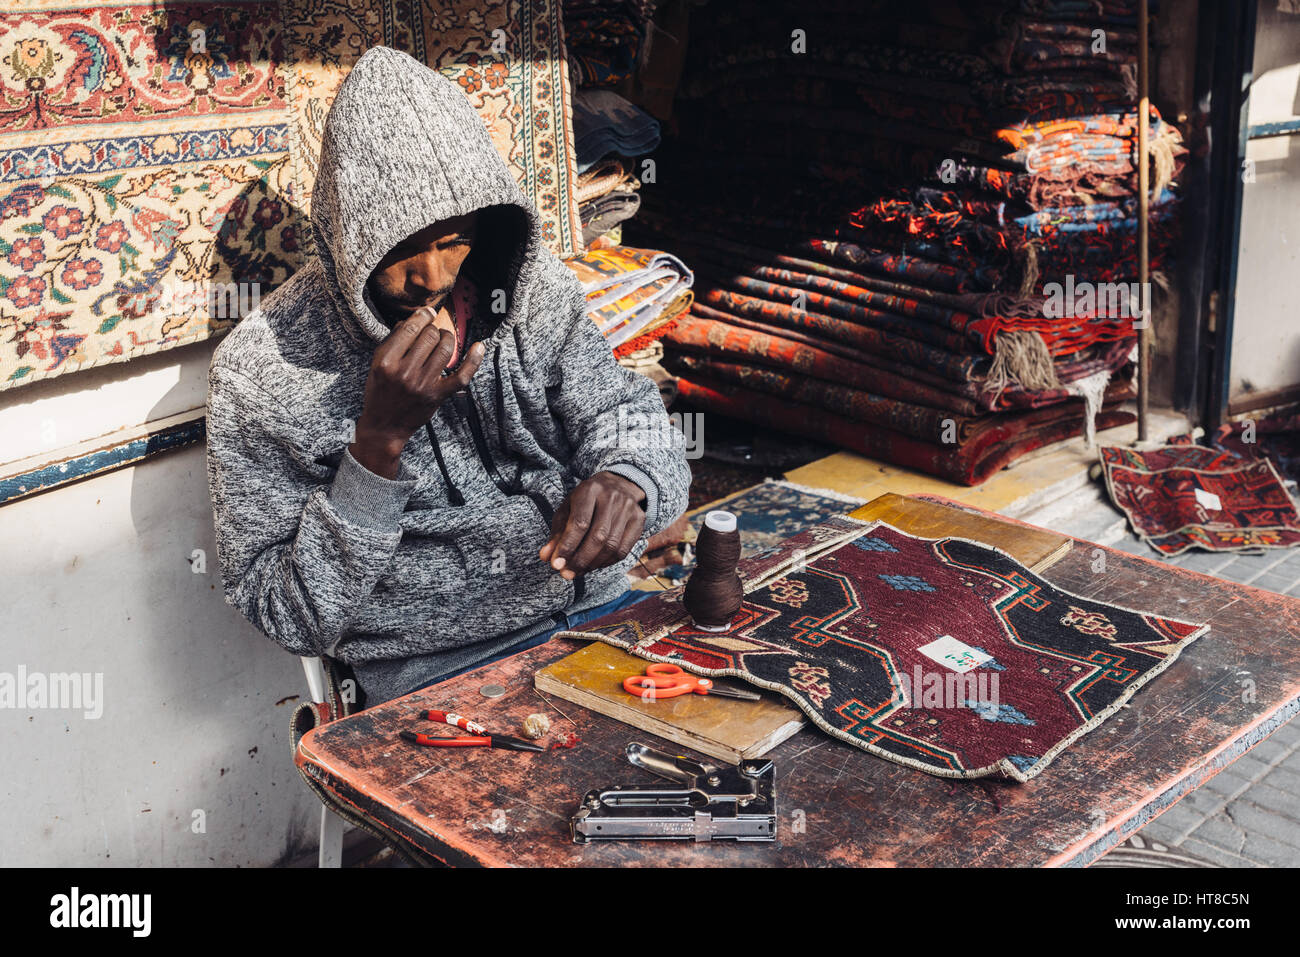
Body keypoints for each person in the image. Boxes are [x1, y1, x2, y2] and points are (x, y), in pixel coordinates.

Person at [205, 46, 690, 706]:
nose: (433, 277)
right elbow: (288, 613)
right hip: (433, 677)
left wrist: (629, 480)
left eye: (454, 238)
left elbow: (622, 409)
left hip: (602, 619)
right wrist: (376, 448)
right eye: (402, 248)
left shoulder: (524, 288)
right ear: (347, 237)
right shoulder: (262, 371)